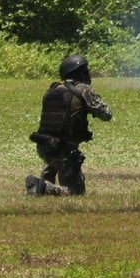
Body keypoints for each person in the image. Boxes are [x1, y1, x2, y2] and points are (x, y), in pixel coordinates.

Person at [26, 54, 112, 196]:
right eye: (86, 72)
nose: (89, 75)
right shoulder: (83, 90)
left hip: (44, 145)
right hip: (63, 150)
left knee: (54, 160)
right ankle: (43, 187)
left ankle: (43, 183)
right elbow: (106, 114)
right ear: (78, 73)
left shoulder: (53, 90)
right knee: (76, 193)